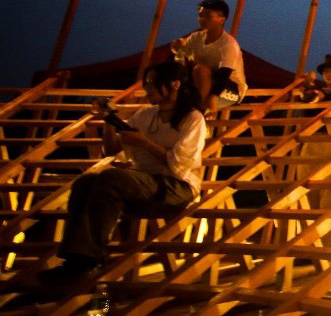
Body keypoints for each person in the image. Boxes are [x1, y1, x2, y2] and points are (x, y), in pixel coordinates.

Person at [37, 59, 206, 285]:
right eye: (146, 83)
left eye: (153, 83)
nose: (148, 88)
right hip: (142, 183)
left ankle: (91, 257)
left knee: (111, 177)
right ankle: (75, 259)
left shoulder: (193, 118)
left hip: (176, 185)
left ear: (175, 84)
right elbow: (111, 149)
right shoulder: (145, 115)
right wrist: (109, 120)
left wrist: (144, 143)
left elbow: (180, 163)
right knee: (84, 182)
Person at [170, 0, 248, 114]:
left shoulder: (228, 44)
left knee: (200, 70)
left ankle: (198, 112)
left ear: (222, 20)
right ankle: (193, 110)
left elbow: (224, 74)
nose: (202, 19)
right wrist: (177, 50)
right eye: (200, 15)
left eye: (207, 16)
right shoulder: (195, 38)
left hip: (229, 90)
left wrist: (213, 97)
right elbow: (180, 60)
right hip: (204, 84)